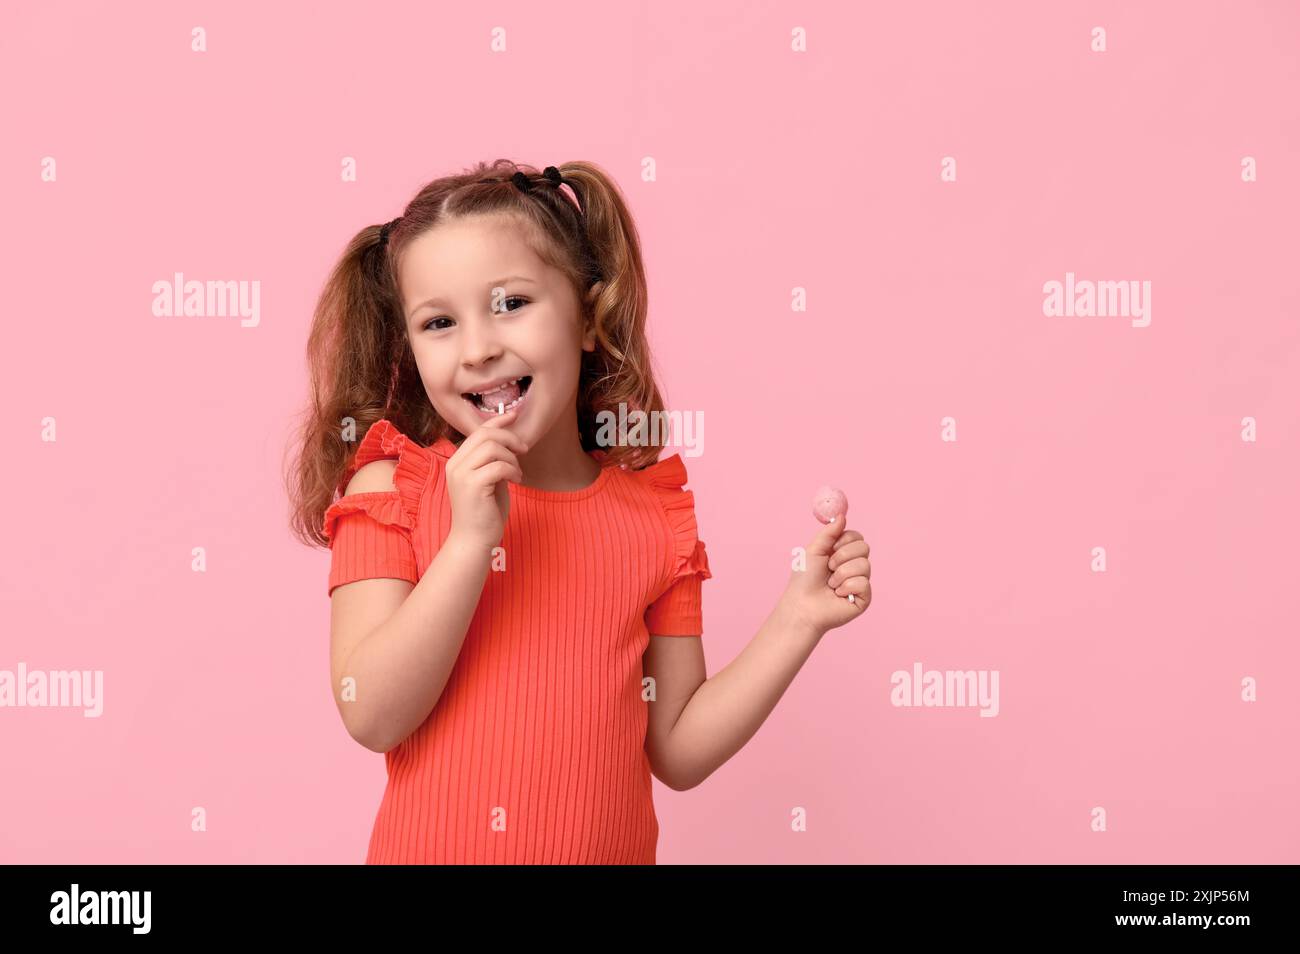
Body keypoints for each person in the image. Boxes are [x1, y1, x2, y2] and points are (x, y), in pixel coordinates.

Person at [285, 159, 872, 863]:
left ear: (589, 319)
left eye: (511, 303)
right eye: (439, 321)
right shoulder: (391, 488)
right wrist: (471, 542)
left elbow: (678, 749)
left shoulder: (653, 517)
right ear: (411, 351)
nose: (479, 348)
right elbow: (371, 711)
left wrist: (798, 619)